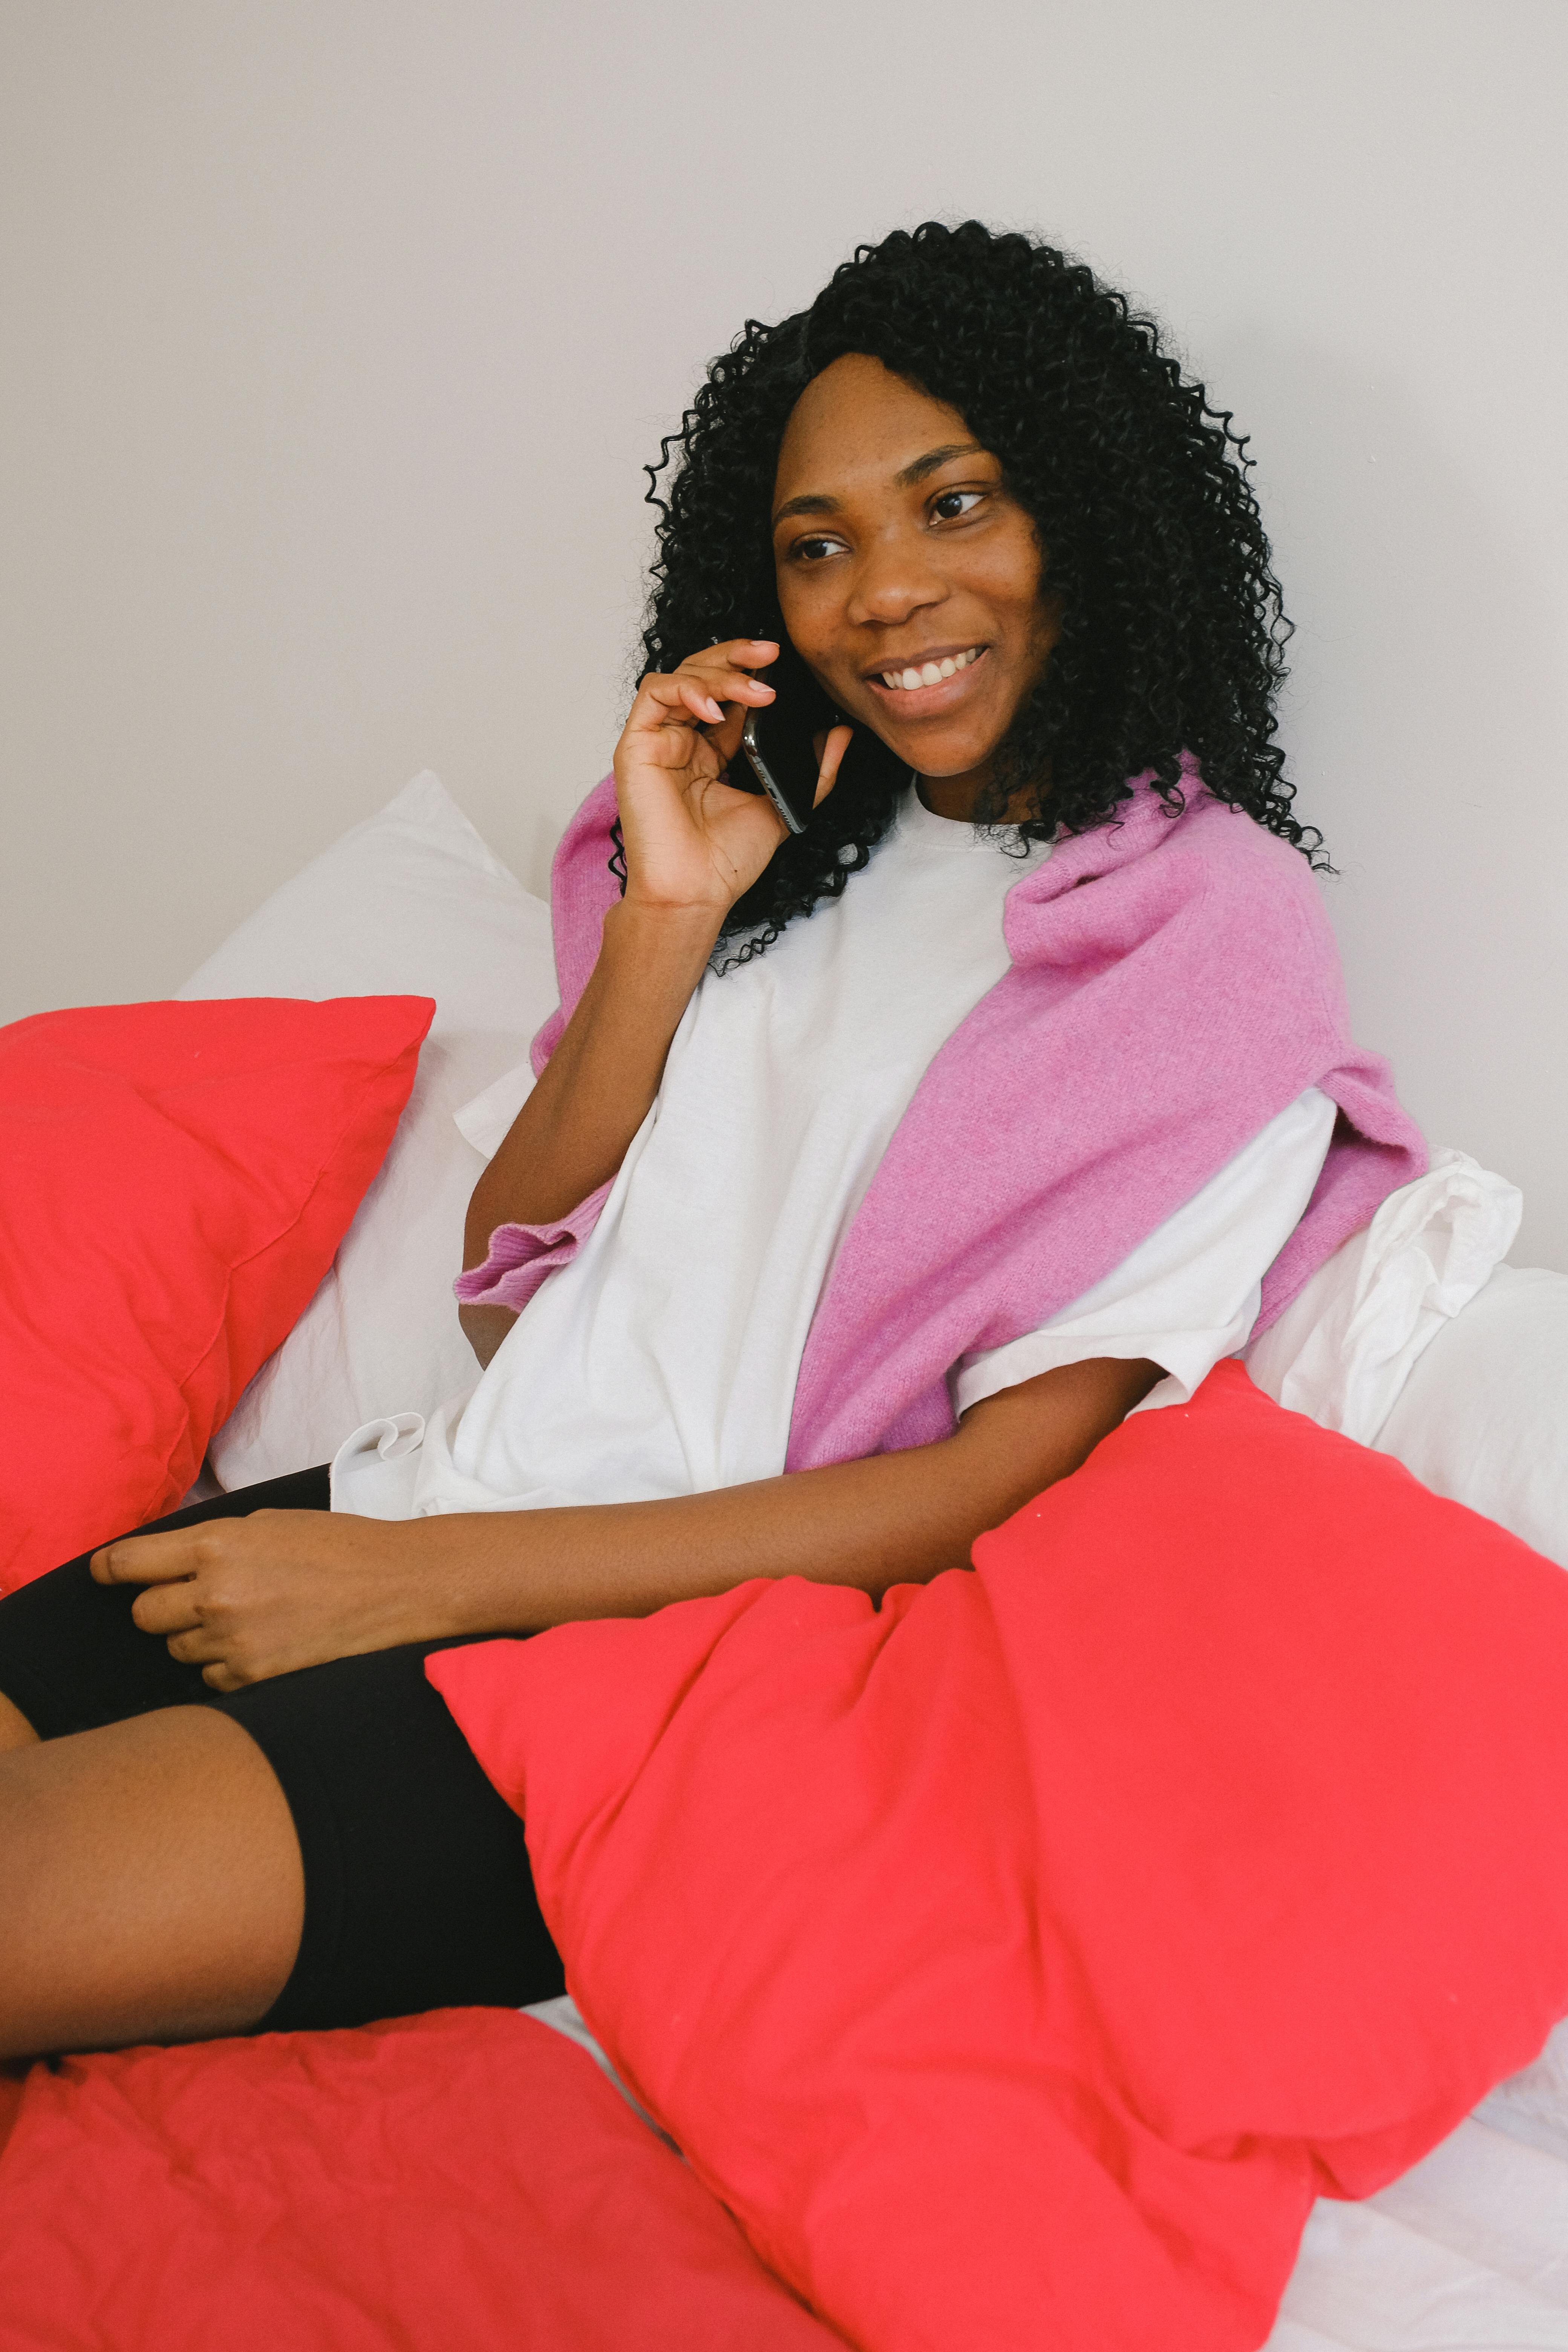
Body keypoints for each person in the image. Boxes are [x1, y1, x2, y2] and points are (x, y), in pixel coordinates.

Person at [0, 222, 1423, 2063]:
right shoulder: (784, 839)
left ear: (1086, 513)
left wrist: (417, 1589)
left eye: (953, 506)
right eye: (815, 545)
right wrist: (670, 922)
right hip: (430, 1502)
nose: (883, 592)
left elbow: (994, 1485)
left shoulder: (1198, 939)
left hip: (645, 1669)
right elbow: (511, 1281)